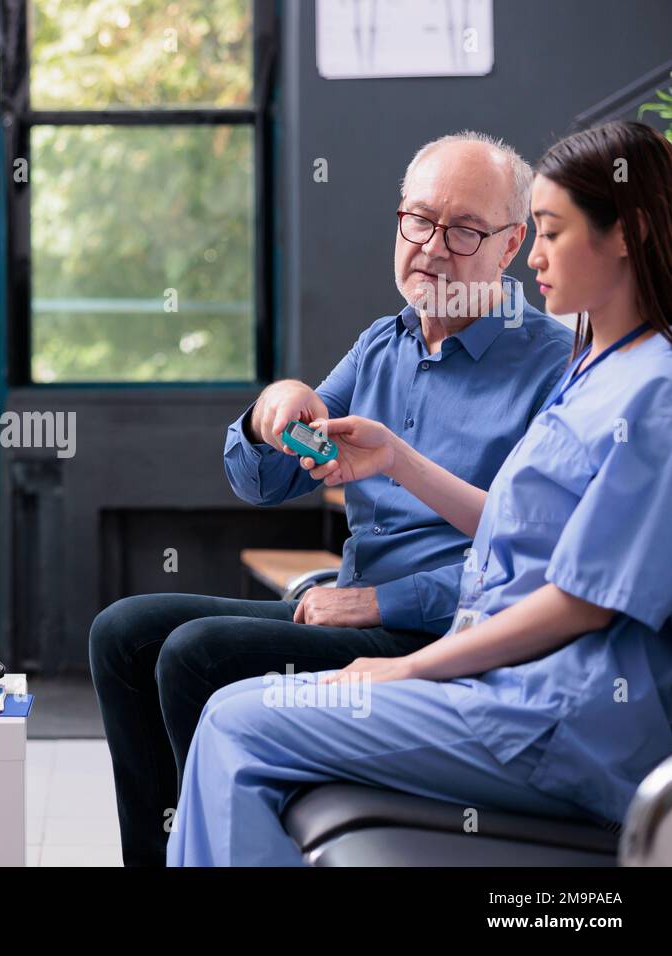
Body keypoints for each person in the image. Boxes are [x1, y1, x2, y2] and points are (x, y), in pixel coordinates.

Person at [168, 120, 672, 866]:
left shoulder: (652, 392)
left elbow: (583, 599)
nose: (533, 258)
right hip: (493, 679)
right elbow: (507, 523)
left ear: (625, 234)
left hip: (549, 715)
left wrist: (406, 666)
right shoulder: (590, 368)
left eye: (550, 233)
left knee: (236, 721)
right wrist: (392, 456)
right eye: (420, 221)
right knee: (200, 687)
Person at [90, 130, 575, 865]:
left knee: (194, 654)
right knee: (124, 631)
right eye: (418, 219)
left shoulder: (554, 368)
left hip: (448, 634)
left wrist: (389, 602)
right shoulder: (384, 344)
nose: (434, 247)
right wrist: (270, 411)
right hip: (345, 608)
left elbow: (536, 561)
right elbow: (266, 481)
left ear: (510, 248)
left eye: (465, 230)